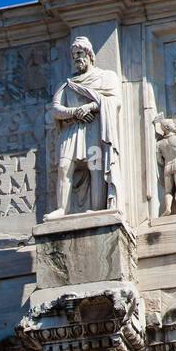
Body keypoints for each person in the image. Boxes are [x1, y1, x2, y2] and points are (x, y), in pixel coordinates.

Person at [48, 36, 123, 216]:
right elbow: (55, 109)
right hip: (72, 129)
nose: (76, 58)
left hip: (94, 127)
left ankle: (96, 209)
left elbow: (114, 100)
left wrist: (89, 106)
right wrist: (75, 112)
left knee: (95, 165)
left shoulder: (105, 77)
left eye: (79, 53)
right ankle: (61, 209)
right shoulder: (66, 84)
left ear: (89, 54)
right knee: (64, 167)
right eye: (73, 55)